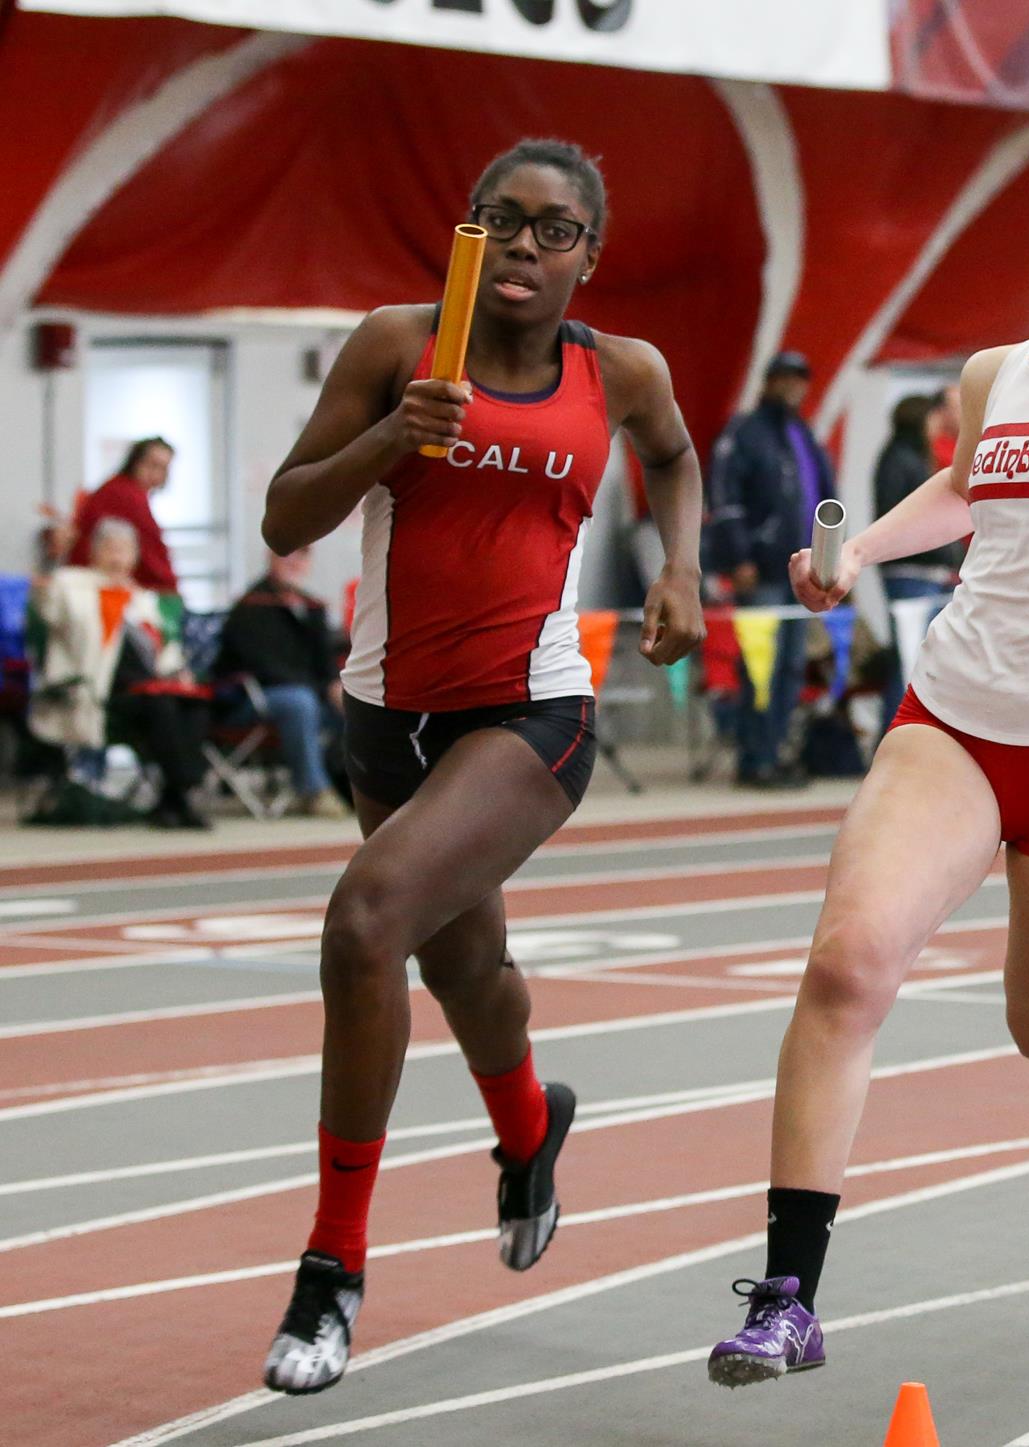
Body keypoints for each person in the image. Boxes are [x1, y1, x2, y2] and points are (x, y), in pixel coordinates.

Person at [707, 137, 1029, 1387]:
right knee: (845, 966)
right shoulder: (991, 371)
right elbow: (968, 484)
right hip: (954, 717)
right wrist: (862, 552)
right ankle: (787, 1296)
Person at [254, 138, 706, 1395]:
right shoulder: (400, 347)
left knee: (366, 924)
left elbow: (670, 453)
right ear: (467, 235)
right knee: (467, 969)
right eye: (498, 222)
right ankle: (529, 1126)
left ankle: (331, 1270)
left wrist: (679, 566)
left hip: (529, 712)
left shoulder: (618, 370)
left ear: (587, 258)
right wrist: (390, 440)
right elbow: (286, 519)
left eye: (552, 230)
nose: (522, 245)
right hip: (384, 713)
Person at [31, 518, 211, 829]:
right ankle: (182, 794)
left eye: (125, 549)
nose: (117, 555)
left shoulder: (143, 600)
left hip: (148, 689)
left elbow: (164, 652)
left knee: (194, 705)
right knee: (162, 708)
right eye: (110, 547)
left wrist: (179, 673)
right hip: (97, 693)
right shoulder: (71, 586)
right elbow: (46, 606)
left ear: (135, 557)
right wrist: (53, 558)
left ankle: (173, 796)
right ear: (94, 551)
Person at [706, 352, 833, 788]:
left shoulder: (801, 434)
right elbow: (724, 498)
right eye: (785, 378)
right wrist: (738, 556)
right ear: (769, 380)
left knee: (792, 667)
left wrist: (832, 561)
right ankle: (754, 757)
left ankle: (774, 750)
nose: (793, 386)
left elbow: (826, 501)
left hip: (804, 570)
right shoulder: (746, 432)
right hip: (761, 570)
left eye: (800, 378)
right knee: (761, 665)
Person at [217, 547, 348, 819]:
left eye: (301, 556)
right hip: (251, 700)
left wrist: (335, 686)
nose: (293, 562)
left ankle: (355, 787)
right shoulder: (251, 606)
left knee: (357, 704)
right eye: (286, 554)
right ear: (270, 559)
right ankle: (313, 791)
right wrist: (320, 688)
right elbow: (261, 667)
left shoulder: (313, 607)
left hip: (308, 695)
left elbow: (325, 662)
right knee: (299, 702)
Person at [874, 391, 963, 721]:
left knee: (923, 664)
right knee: (907, 662)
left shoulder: (918, 459)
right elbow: (897, 515)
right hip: (909, 574)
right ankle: (895, 735)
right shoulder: (899, 460)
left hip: (931, 573)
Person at [64, 437, 179, 593]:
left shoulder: (125, 490)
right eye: (152, 464)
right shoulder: (124, 494)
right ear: (136, 461)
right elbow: (149, 550)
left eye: (163, 468)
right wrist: (169, 587)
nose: (156, 473)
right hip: (97, 585)